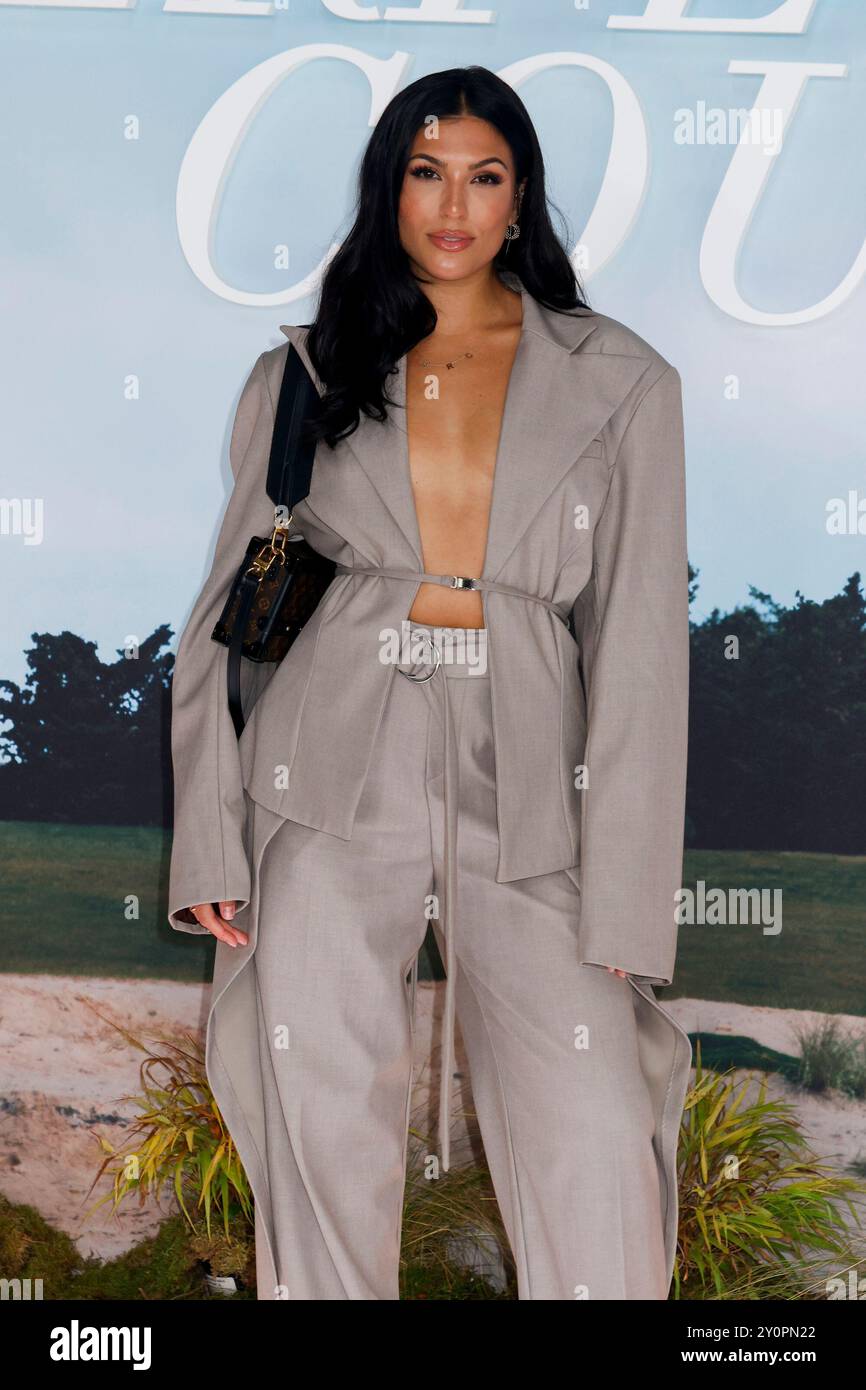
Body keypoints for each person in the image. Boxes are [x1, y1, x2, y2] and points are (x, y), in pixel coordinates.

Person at [167, 65, 693, 1301]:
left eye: (483, 173)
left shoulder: (623, 384)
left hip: (527, 761)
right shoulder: (306, 374)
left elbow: (637, 653)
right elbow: (234, 622)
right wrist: (211, 837)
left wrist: (625, 895)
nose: (451, 203)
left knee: (595, 1119)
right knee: (321, 1116)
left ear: (521, 198)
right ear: (386, 191)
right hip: (327, 759)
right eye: (423, 170)